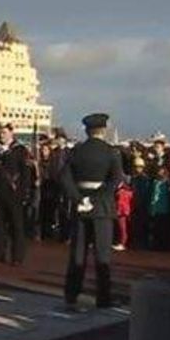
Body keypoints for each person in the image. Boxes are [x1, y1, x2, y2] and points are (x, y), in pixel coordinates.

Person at [61, 113, 125, 311]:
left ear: (87, 130)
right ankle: (103, 297)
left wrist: (79, 198)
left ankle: (72, 294)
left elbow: (64, 177)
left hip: (80, 207)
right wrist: (95, 198)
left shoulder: (77, 151)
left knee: (78, 254)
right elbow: (116, 180)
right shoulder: (111, 152)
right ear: (103, 130)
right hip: (101, 207)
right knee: (102, 256)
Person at [0, 123, 32, 265]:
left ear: (12, 133)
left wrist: (24, 193)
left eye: (5, 133)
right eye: (0, 133)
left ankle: (17, 257)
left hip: (14, 194)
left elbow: (26, 173)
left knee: (16, 226)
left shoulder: (20, 150)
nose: (2, 135)